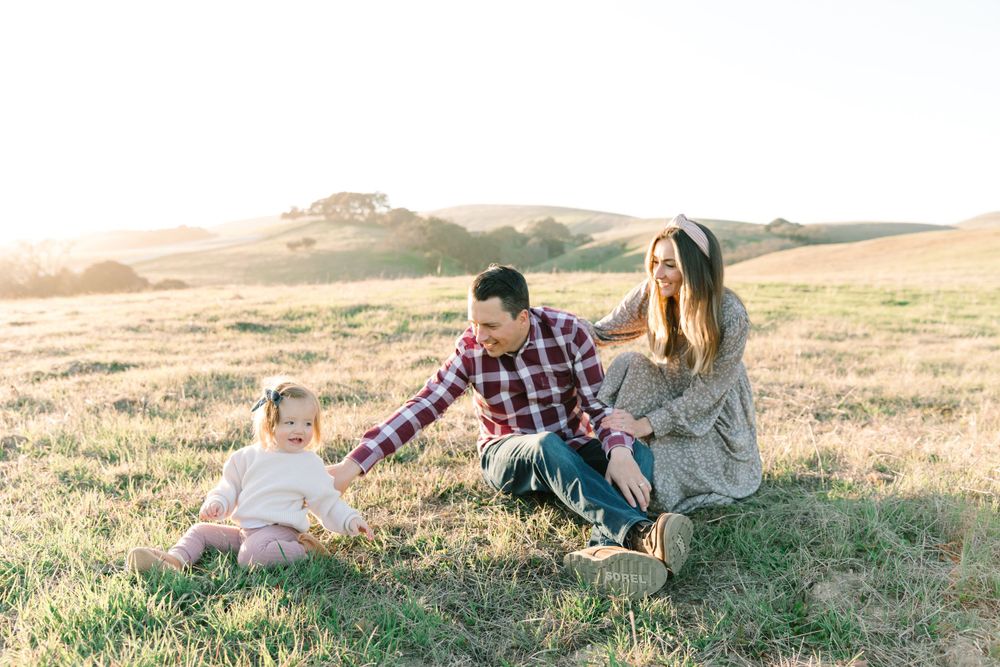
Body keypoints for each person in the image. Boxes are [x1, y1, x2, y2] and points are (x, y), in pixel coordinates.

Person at [326, 264, 693, 598]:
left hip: (571, 446)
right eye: (474, 323)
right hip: (507, 454)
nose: (479, 335)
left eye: (490, 325)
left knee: (637, 453)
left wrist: (620, 452)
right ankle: (639, 534)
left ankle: (601, 551)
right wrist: (352, 465)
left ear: (522, 317)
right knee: (543, 445)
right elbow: (424, 405)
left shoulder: (570, 333)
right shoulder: (470, 349)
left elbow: (598, 408)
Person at [594, 214, 762, 515]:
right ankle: (611, 442)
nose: (658, 273)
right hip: (667, 389)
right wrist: (542, 323)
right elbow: (602, 331)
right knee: (629, 363)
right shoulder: (653, 291)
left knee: (661, 468)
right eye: (655, 262)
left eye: (670, 265)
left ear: (695, 268)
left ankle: (633, 486)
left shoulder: (730, 315)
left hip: (711, 416)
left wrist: (644, 425)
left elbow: (705, 396)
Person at [127, 378, 372, 572]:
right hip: (247, 531)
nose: (300, 430)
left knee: (251, 557)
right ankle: (174, 561)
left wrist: (350, 519)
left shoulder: (308, 464)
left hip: (279, 530)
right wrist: (218, 502)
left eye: (308, 423)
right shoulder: (246, 457)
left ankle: (304, 549)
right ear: (269, 424)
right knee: (200, 530)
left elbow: (327, 502)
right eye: (290, 422)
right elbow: (229, 486)